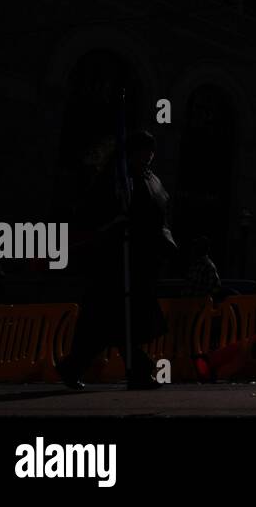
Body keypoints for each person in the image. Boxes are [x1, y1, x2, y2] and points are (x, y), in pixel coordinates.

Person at [57, 129, 176, 390]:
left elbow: (159, 213)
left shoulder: (151, 179)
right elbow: (92, 213)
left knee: (112, 323)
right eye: (143, 150)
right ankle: (138, 371)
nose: (148, 156)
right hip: (113, 261)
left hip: (138, 260)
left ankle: (74, 366)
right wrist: (113, 223)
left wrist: (163, 241)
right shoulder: (115, 177)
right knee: (116, 320)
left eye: (151, 150)